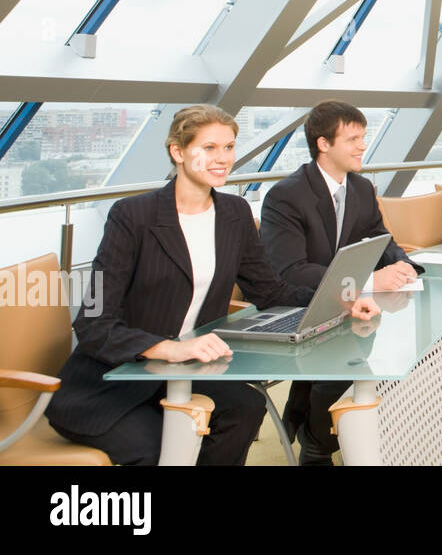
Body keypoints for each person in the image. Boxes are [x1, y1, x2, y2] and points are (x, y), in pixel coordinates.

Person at [44, 105, 379, 466]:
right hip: (111, 384)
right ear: (178, 152)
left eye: (229, 147)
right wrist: (166, 348)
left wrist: (340, 301)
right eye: (209, 148)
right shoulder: (131, 216)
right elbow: (93, 321)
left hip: (189, 370)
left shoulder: (233, 214)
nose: (223, 159)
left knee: (245, 409)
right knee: (159, 448)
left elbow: (271, 292)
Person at [258, 99, 422, 464]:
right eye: (352, 139)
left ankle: (307, 415)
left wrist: (404, 266)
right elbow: (289, 271)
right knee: (352, 355)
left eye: (363, 137)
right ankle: (317, 446)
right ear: (323, 144)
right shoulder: (286, 196)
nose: (363, 145)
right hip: (297, 302)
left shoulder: (361, 188)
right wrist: (366, 281)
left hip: (342, 301)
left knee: (372, 341)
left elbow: (379, 236)